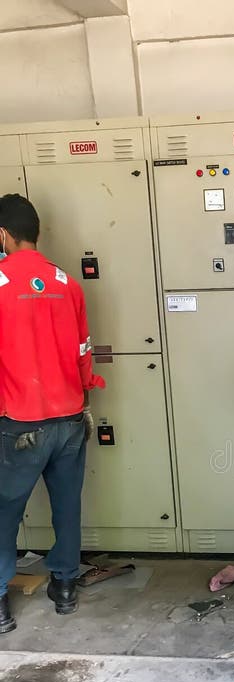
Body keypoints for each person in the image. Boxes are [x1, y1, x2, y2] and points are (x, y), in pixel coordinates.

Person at [0, 194, 105, 634]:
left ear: (2, 234)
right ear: (37, 232)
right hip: (69, 419)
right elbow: (83, 351)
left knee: (6, 511)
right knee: (66, 506)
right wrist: (84, 392)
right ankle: (64, 588)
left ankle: (1, 606)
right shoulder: (67, 284)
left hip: (20, 423)